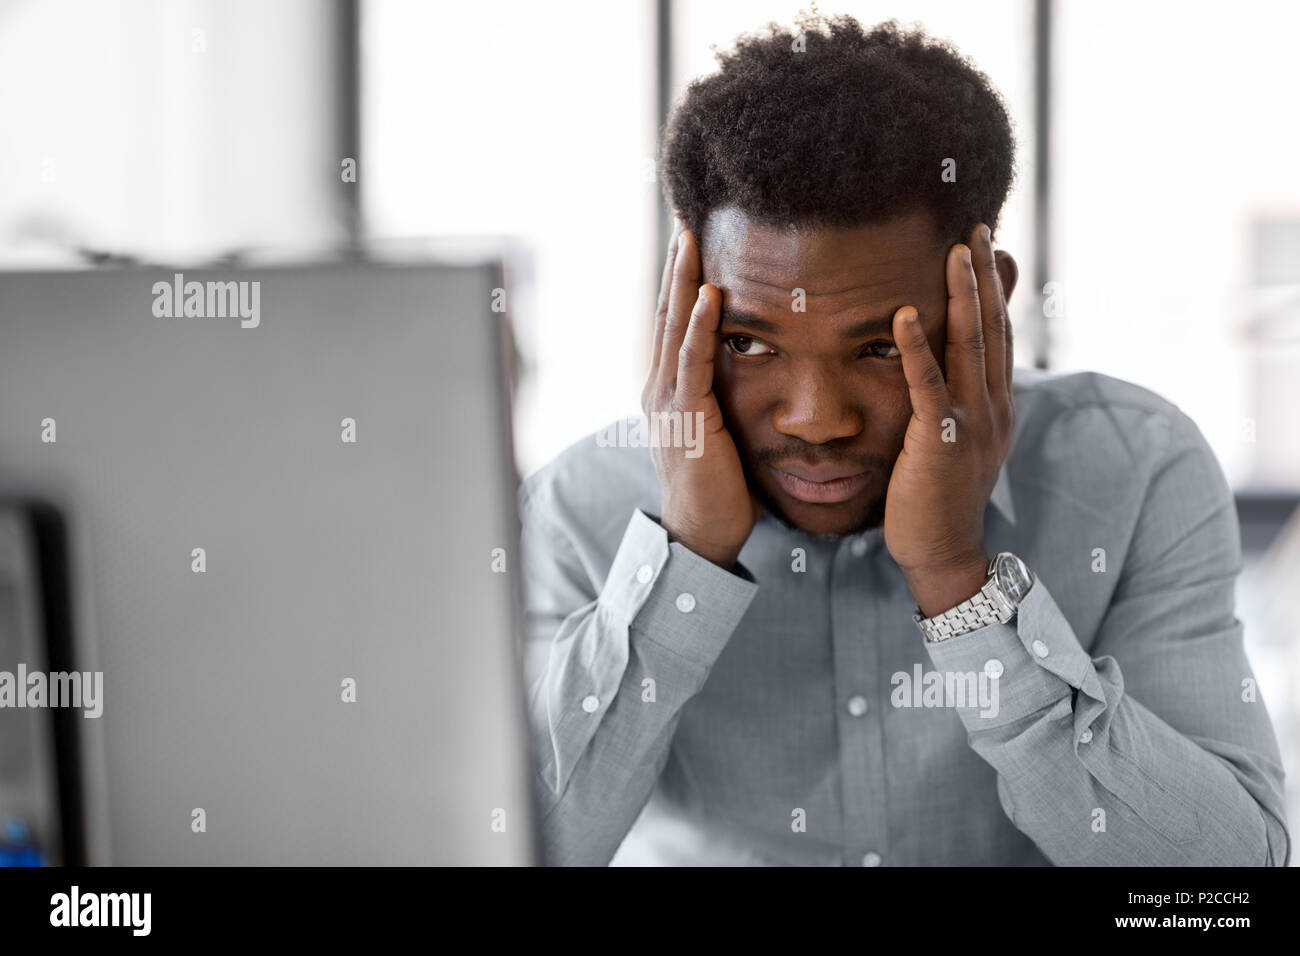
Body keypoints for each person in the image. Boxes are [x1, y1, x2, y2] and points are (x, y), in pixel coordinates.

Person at [519, 13, 1290, 866]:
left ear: (986, 302)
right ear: (681, 308)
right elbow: (520, 850)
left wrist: (962, 588)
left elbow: (1219, 898)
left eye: (885, 346)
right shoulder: (579, 512)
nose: (817, 420)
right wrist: (685, 560)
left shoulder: (1137, 472)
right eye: (749, 343)